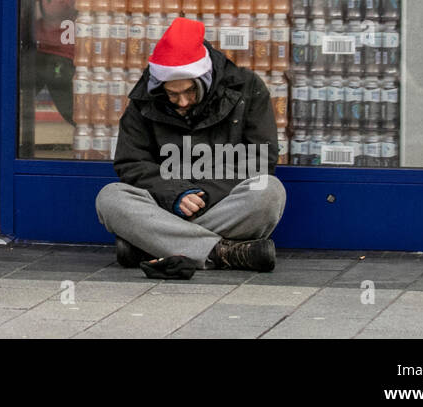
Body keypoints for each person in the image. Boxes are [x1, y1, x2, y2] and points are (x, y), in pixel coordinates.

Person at [95, 17, 285, 274]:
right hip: (166, 205)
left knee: (269, 192)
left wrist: (203, 195)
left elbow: (260, 158)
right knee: (110, 198)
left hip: (221, 200)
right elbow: (131, 161)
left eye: (190, 92)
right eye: (173, 95)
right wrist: (176, 194)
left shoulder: (248, 88)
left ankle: (151, 245)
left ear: (204, 78)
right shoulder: (145, 99)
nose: (182, 102)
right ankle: (223, 252)